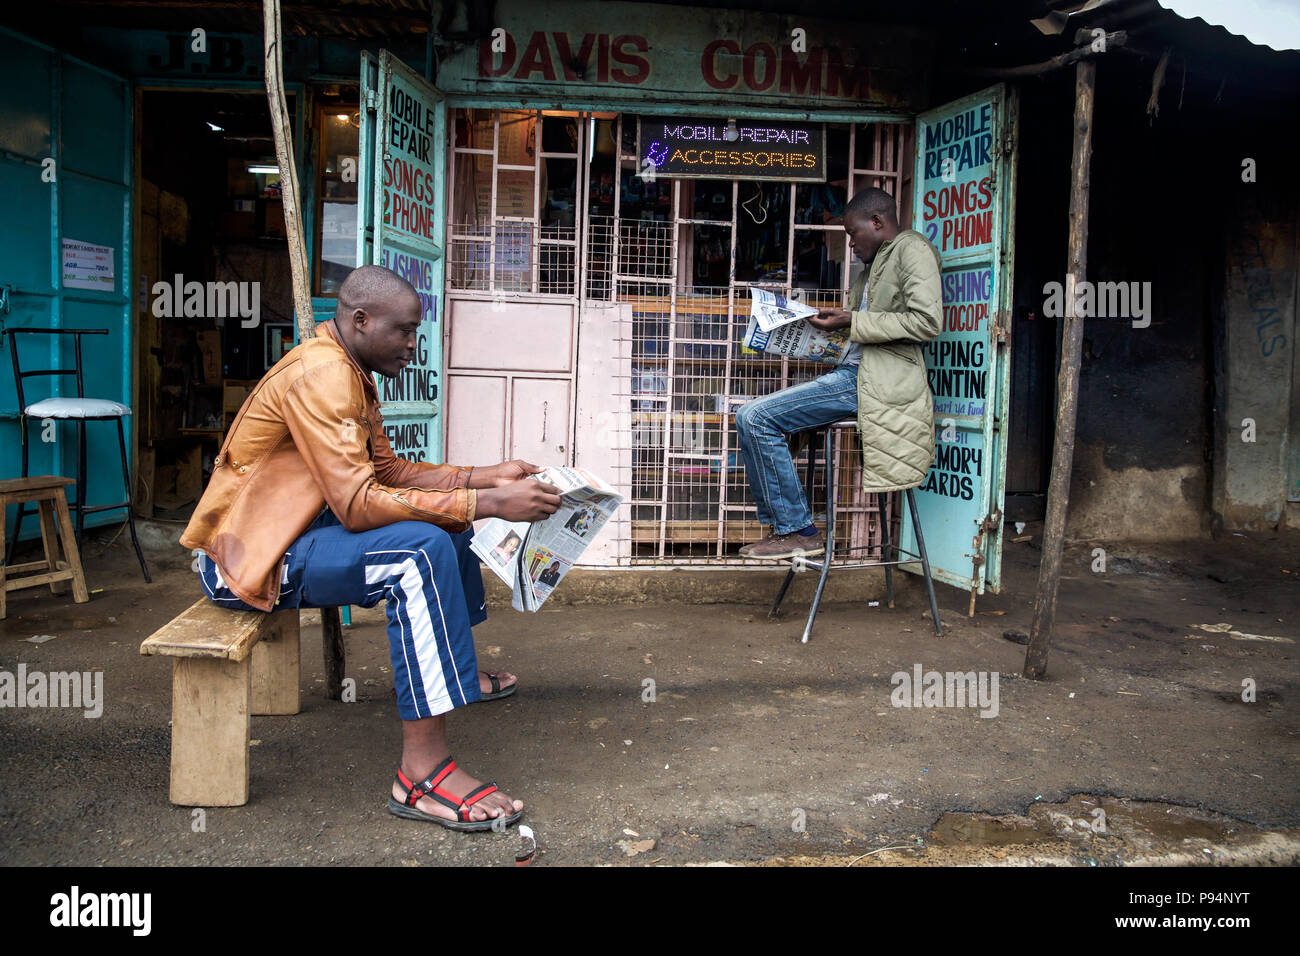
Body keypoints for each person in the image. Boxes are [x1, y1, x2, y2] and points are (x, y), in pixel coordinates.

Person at [180, 265, 561, 832]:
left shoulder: (350, 369)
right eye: (404, 331)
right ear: (360, 321)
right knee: (419, 551)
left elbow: (385, 471)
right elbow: (360, 504)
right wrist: (491, 504)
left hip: (302, 536)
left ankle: (458, 672)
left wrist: (484, 477)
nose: (412, 345)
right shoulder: (323, 375)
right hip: (254, 562)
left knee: (446, 528)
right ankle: (421, 776)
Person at [734, 187, 942, 559]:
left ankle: (797, 530)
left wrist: (853, 319)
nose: (849, 243)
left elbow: (926, 321)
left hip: (874, 381)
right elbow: (870, 326)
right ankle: (790, 528)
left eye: (852, 232)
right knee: (754, 417)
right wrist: (826, 329)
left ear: (876, 222)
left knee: (754, 416)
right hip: (854, 372)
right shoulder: (874, 265)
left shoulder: (912, 249)